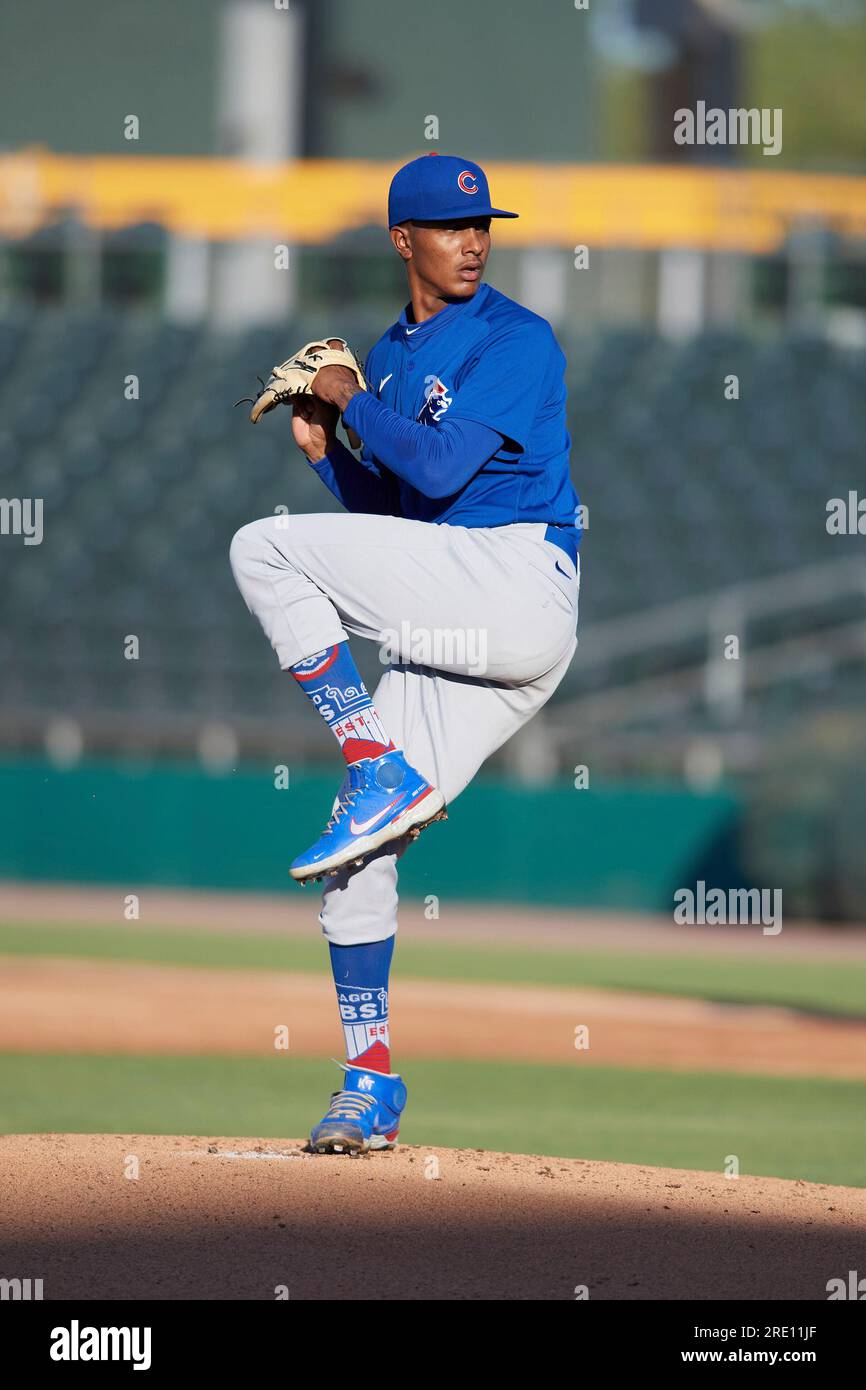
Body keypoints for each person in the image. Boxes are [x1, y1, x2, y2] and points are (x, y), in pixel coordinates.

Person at [230, 153, 581, 1154]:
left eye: (481, 225)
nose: (471, 241)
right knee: (358, 852)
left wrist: (344, 395)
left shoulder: (516, 338)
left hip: (515, 586)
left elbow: (435, 460)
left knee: (262, 548)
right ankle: (368, 1081)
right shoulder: (386, 357)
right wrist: (329, 453)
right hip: (452, 610)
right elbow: (403, 512)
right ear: (402, 240)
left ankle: (369, 762)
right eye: (448, 226)